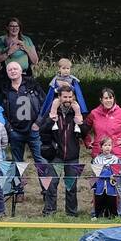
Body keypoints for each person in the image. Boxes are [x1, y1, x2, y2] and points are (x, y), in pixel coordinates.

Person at [0, 60, 46, 182]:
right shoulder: (5, 90)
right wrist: (9, 128)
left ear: (21, 71)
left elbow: (45, 105)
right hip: (15, 132)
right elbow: (0, 111)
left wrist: (38, 123)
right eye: (10, 69)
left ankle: (46, 191)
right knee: (17, 162)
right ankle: (18, 190)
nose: (13, 71)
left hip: (33, 131)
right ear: (7, 73)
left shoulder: (33, 86)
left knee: (41, 161)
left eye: (15, 69)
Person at [40, 85, 84, 217]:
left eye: (70, 97)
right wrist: (52, 114)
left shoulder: (76, 111)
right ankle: (49, 212)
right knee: (52, 184)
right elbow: (42, 131)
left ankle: (71, 213)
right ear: (59, 97)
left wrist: (79, 116)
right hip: (56, 155)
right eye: (65, 96)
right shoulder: (52, 111)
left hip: (72, 155)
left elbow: (85, 133)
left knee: (71, 186)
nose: (68, 99)